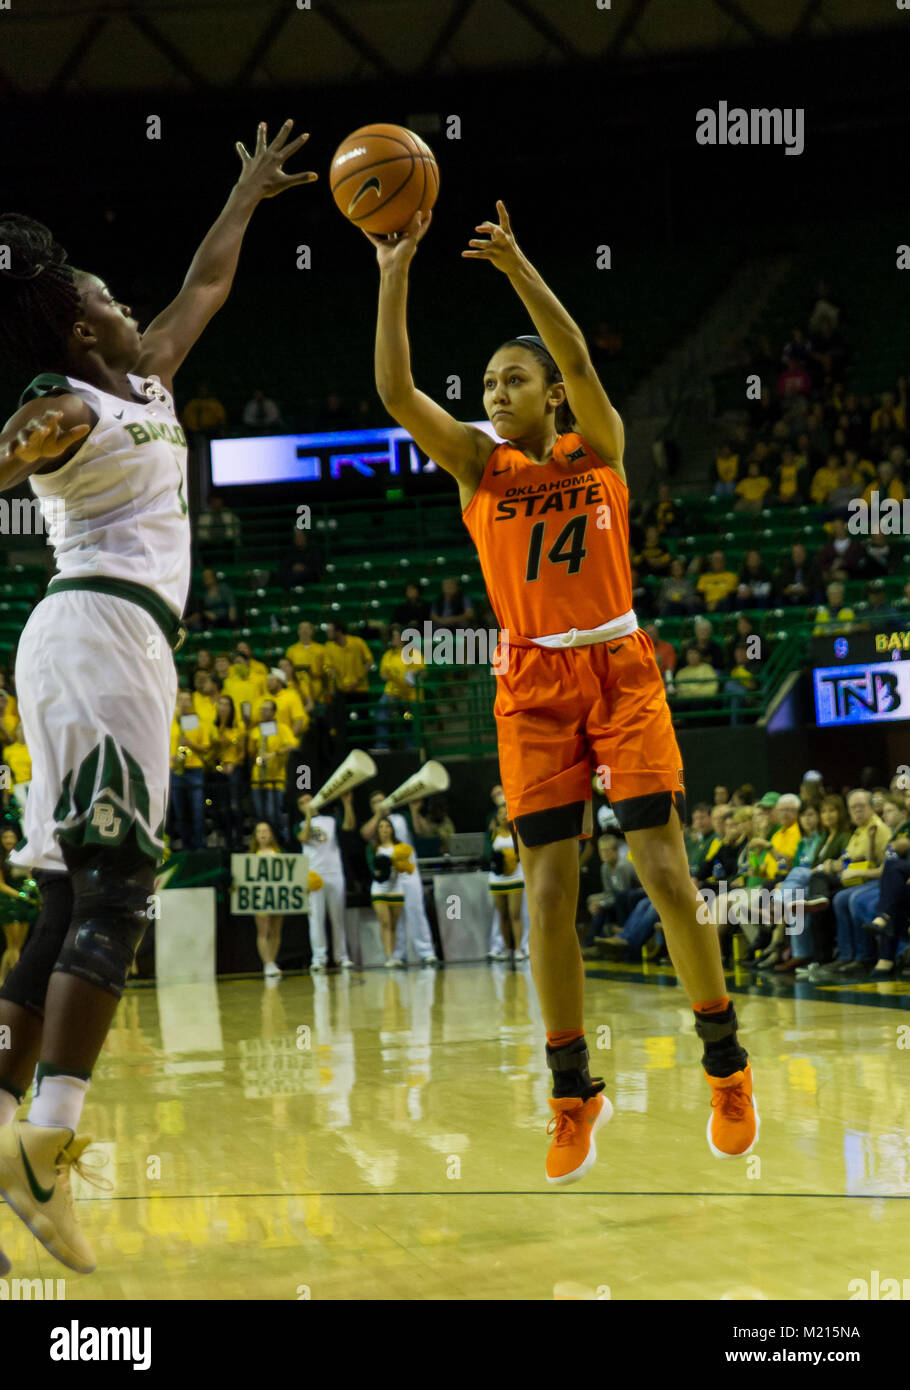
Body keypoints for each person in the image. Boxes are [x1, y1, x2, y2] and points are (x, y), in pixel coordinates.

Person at [365, 198, 757, 1185]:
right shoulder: (476, 466)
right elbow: (397, 389)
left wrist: (515, 265)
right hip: (531, 681)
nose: (497, 391)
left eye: (513, 379)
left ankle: (725, 1066)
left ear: (551, 395)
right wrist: (393, 270)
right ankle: (573, 1089)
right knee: (547, 893)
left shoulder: (600, 449)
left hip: (620, 668)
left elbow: (577, 349)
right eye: (490, 382)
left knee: (666, 875)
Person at [0, 117, 316, 1275]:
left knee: (60, 899)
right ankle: (45, 1144)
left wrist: (243, 193)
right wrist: (22, 440)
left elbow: (209, 283)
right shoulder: (66, 399)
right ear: (84, 326)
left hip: (96, 639)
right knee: (120, 884)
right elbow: (22, 440)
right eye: (110, 296)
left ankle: (6, 1133)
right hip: (100, 630)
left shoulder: (144, 379)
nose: (137, 304)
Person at [297, 790, 355, 972]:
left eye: (310, 800)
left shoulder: (330, 820)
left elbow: (349, 826)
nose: (308, 803)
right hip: (314, 876)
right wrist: (308, 817)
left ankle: (342, 956)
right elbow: (304, 837)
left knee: (338, 917)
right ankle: (319, 958)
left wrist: (347, 804)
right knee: (316, 919)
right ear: (300, 808)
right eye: (303, 802)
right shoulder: (298, 824)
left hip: (334, 874)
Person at [367, 817, 412, 967]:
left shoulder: (399, 846)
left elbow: (408, 867)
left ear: (392, 829)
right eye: (381, 827)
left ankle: (394, 954)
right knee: (385, 923)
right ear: (377, 830)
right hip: (379, 889)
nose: (384, 829)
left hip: (396, 888)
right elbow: (372, 868)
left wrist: (402, 865)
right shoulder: (373, 847)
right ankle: (388, 956)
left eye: (387, 826)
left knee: (393, 924)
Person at [485, 802, 525, 964]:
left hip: (515, 877)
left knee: (515, 914)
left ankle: (518, 949)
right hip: (497, 879)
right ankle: (508, 948)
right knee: (503, 915)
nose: (503, 815)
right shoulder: (492, 834)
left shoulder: (517, 832)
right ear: (496, 817)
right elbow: (486, 854)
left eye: (506, 812)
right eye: (500, 813)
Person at [248, 821, 287, 982]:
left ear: (271, 834)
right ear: (256, 836)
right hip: (260, 897)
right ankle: (268, 963)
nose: (263, 834)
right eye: (259, 831)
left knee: (276, 931)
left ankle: (272, 961)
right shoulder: (252, 855)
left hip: (277, 896)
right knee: (263, 930)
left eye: (266, 831)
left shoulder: (279, 853)